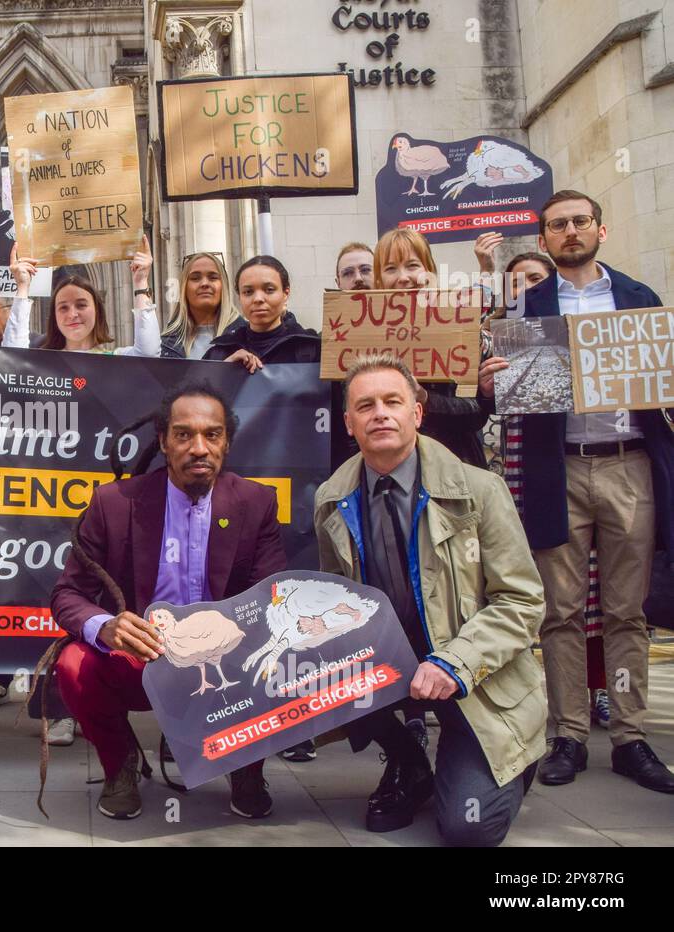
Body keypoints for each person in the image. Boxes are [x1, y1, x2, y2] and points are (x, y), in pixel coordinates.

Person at [478, 190, 674, 793]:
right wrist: (490, 384)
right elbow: (504, 400)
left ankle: (631, 737)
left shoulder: (639, 299)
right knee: (559, 610)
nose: (569, 232)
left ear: (600, 229)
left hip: (628, 464)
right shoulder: (526, 306)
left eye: (579, 222)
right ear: (543, 239)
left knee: (626, 610)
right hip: (555, 468)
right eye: (557, 225)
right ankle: (568, 734)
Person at [316, 353, 545, 845]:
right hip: (392, 665)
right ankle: (408, 760)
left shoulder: (481, 491)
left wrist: (452, 663)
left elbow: (522, 603)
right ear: (349, 423)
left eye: (393, 402)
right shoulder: (331, 499)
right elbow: (336, 599)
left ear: (416, 413)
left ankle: (510, 747)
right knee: (302, 665)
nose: (380, 413)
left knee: (469, 829)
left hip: (473, 673)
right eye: (366, 405)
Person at [51, 382, 287, 820]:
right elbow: (68, 593)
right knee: (74, 664)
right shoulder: (114, 503)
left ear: (227, 442)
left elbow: (270, 595)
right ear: (163, 441)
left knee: (273, 650)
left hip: (225, 656)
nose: (199, 447)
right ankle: (119, 764)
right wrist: (105, 625)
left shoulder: (256, 502)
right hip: (144, 654)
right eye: (183, 435)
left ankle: (244, 764)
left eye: (212, 435)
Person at [371, 228, 490, 469]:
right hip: (387, 471)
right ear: (379, 279)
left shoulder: (460, 325)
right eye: (391, 268)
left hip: (456, 467)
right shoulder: (364, 336)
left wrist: (425, 399)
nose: (403, 277)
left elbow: (475, 413)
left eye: (412, 265)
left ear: (430, 271)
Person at [5, 237, 159, 355]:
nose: (72, 314)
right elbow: (12, 359)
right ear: (54, 317)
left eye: (81, 305)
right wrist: (23, 287)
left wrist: (141, 282)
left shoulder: (116, 360)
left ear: (97, 310)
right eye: (63, 308)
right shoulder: (44, 365)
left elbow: (148, 354)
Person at [207, 255, 320, 368]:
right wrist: (221, 370)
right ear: (239, 297)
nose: (258, 299)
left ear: (285, 293)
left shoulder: (312, 348)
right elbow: (196, 384)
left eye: (269, 290)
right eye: (248, 292)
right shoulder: (220, 352)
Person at [160, 252, 242, 359]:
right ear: (184, 288)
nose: (205, 283)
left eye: (213, 278)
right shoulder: (167, 343)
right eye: (195, 278)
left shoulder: (246, 336)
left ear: (224, 287)